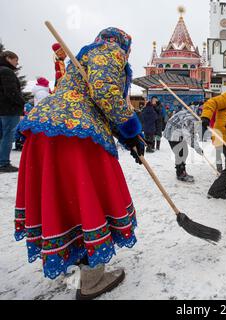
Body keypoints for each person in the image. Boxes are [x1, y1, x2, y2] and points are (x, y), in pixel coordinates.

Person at [15, 28, 145, 300]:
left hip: (46, 131)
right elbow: (105, 93)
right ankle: (92, 278)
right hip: (76, 135)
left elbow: (94, 97)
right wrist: (131, 129)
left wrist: (127, 138)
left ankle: (71, 257)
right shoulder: (110, 51)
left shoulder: (82, 60)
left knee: (64, 196)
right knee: (90, 196)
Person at [0, 51, 25, 173]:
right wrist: (21, 102)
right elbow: (11, 92)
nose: (17, 63)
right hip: (9, 109)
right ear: (8, 58)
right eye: (15, 60)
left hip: (3, 109)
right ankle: (3, 163)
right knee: (7, 136)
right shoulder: (6, 71)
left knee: (2, 135)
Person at [163, 105, 203, 183]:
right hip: (173, 135)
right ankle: (180, 174)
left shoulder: (194, 116)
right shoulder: (191, 118)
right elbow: (188, 135)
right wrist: (197, 148)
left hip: (178, 133)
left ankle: (182, 171)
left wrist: (197, 147)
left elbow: (192, 133)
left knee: (184, 153)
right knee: (181, 154)